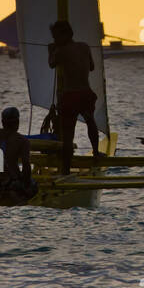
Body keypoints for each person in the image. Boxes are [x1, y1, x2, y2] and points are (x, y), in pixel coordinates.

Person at [47, 20, 99, 174]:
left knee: (68, 134)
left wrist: (51, 51)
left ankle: (66, 169)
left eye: (56, 36)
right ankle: (96, 152)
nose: (55, 40)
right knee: (90, 121)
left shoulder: (60, 51)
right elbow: (91, 66)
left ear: (65, 35)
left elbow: (51, 64)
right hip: (86, 93)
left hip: (70, 95)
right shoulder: (84, 47)